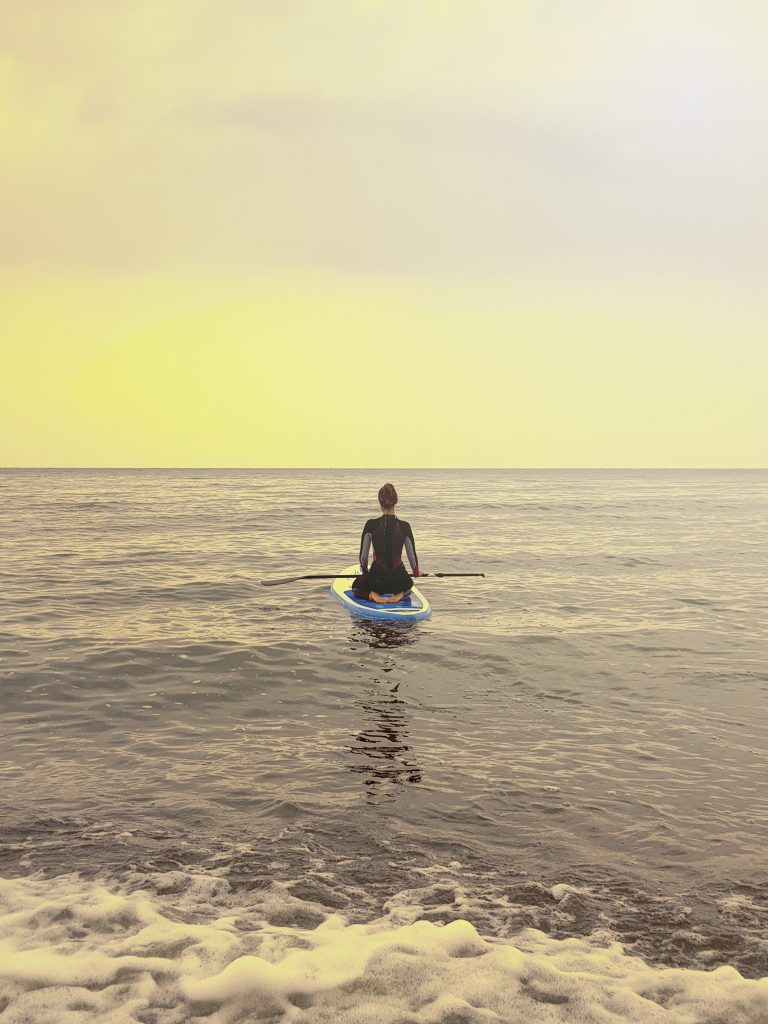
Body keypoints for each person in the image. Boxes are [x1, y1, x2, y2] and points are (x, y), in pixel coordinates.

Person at [353, 483, 421, 604]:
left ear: (380, 503)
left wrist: (365, 572)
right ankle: (400, 594)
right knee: (409, 586)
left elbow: (363, 557)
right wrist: (416, 572)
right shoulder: (405, 526)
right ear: (396, 501)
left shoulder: (371, 525)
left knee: (356, 587)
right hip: (398, 580)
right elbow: (413, 559)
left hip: (377, 579)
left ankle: (371, 595)